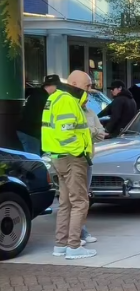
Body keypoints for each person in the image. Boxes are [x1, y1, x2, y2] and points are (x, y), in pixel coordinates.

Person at [41, 70, 96, 260]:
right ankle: (73, 246)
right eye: (87, 84)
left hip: (60, 157)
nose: (90, 88)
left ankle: (61, 245)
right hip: (72, 158)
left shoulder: (57, 98)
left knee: (65, 203)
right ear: (74, 82)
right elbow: (66, 133)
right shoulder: (66, 100)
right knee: (80, 202)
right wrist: (79, 151)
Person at [80, 97, 107, 246]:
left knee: (83, 197)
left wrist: (92, 131)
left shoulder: (90, 112)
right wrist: (92, 131)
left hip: (88, 159)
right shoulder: (73, 112)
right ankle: (76, 234)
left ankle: (82, 231)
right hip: (75, 159)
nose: (86, 101)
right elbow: (79, 132)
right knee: (76, 199)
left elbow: (101, 134)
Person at [17, 74, 61, 154]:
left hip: (24, 130)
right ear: (53, 86)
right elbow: (40, 118)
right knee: (34, 159)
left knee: (31, 157)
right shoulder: (44, 98)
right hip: (31, 133)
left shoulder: (36, 93)